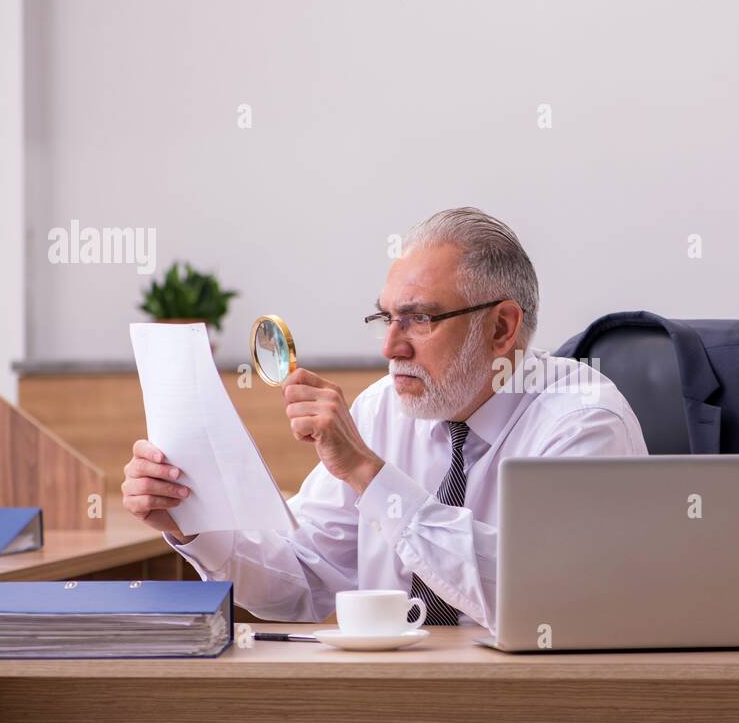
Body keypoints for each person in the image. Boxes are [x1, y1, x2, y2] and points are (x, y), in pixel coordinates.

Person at [121, 207, 647, 629]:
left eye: (419, 319)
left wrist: (369, 475)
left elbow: (542, 600)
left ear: (502, 329)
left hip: (539, 714)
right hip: (392, 702)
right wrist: (191, 524)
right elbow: (299, 583)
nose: (392, 347)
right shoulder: (380, 410)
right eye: (385, 318)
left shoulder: (584, 421)